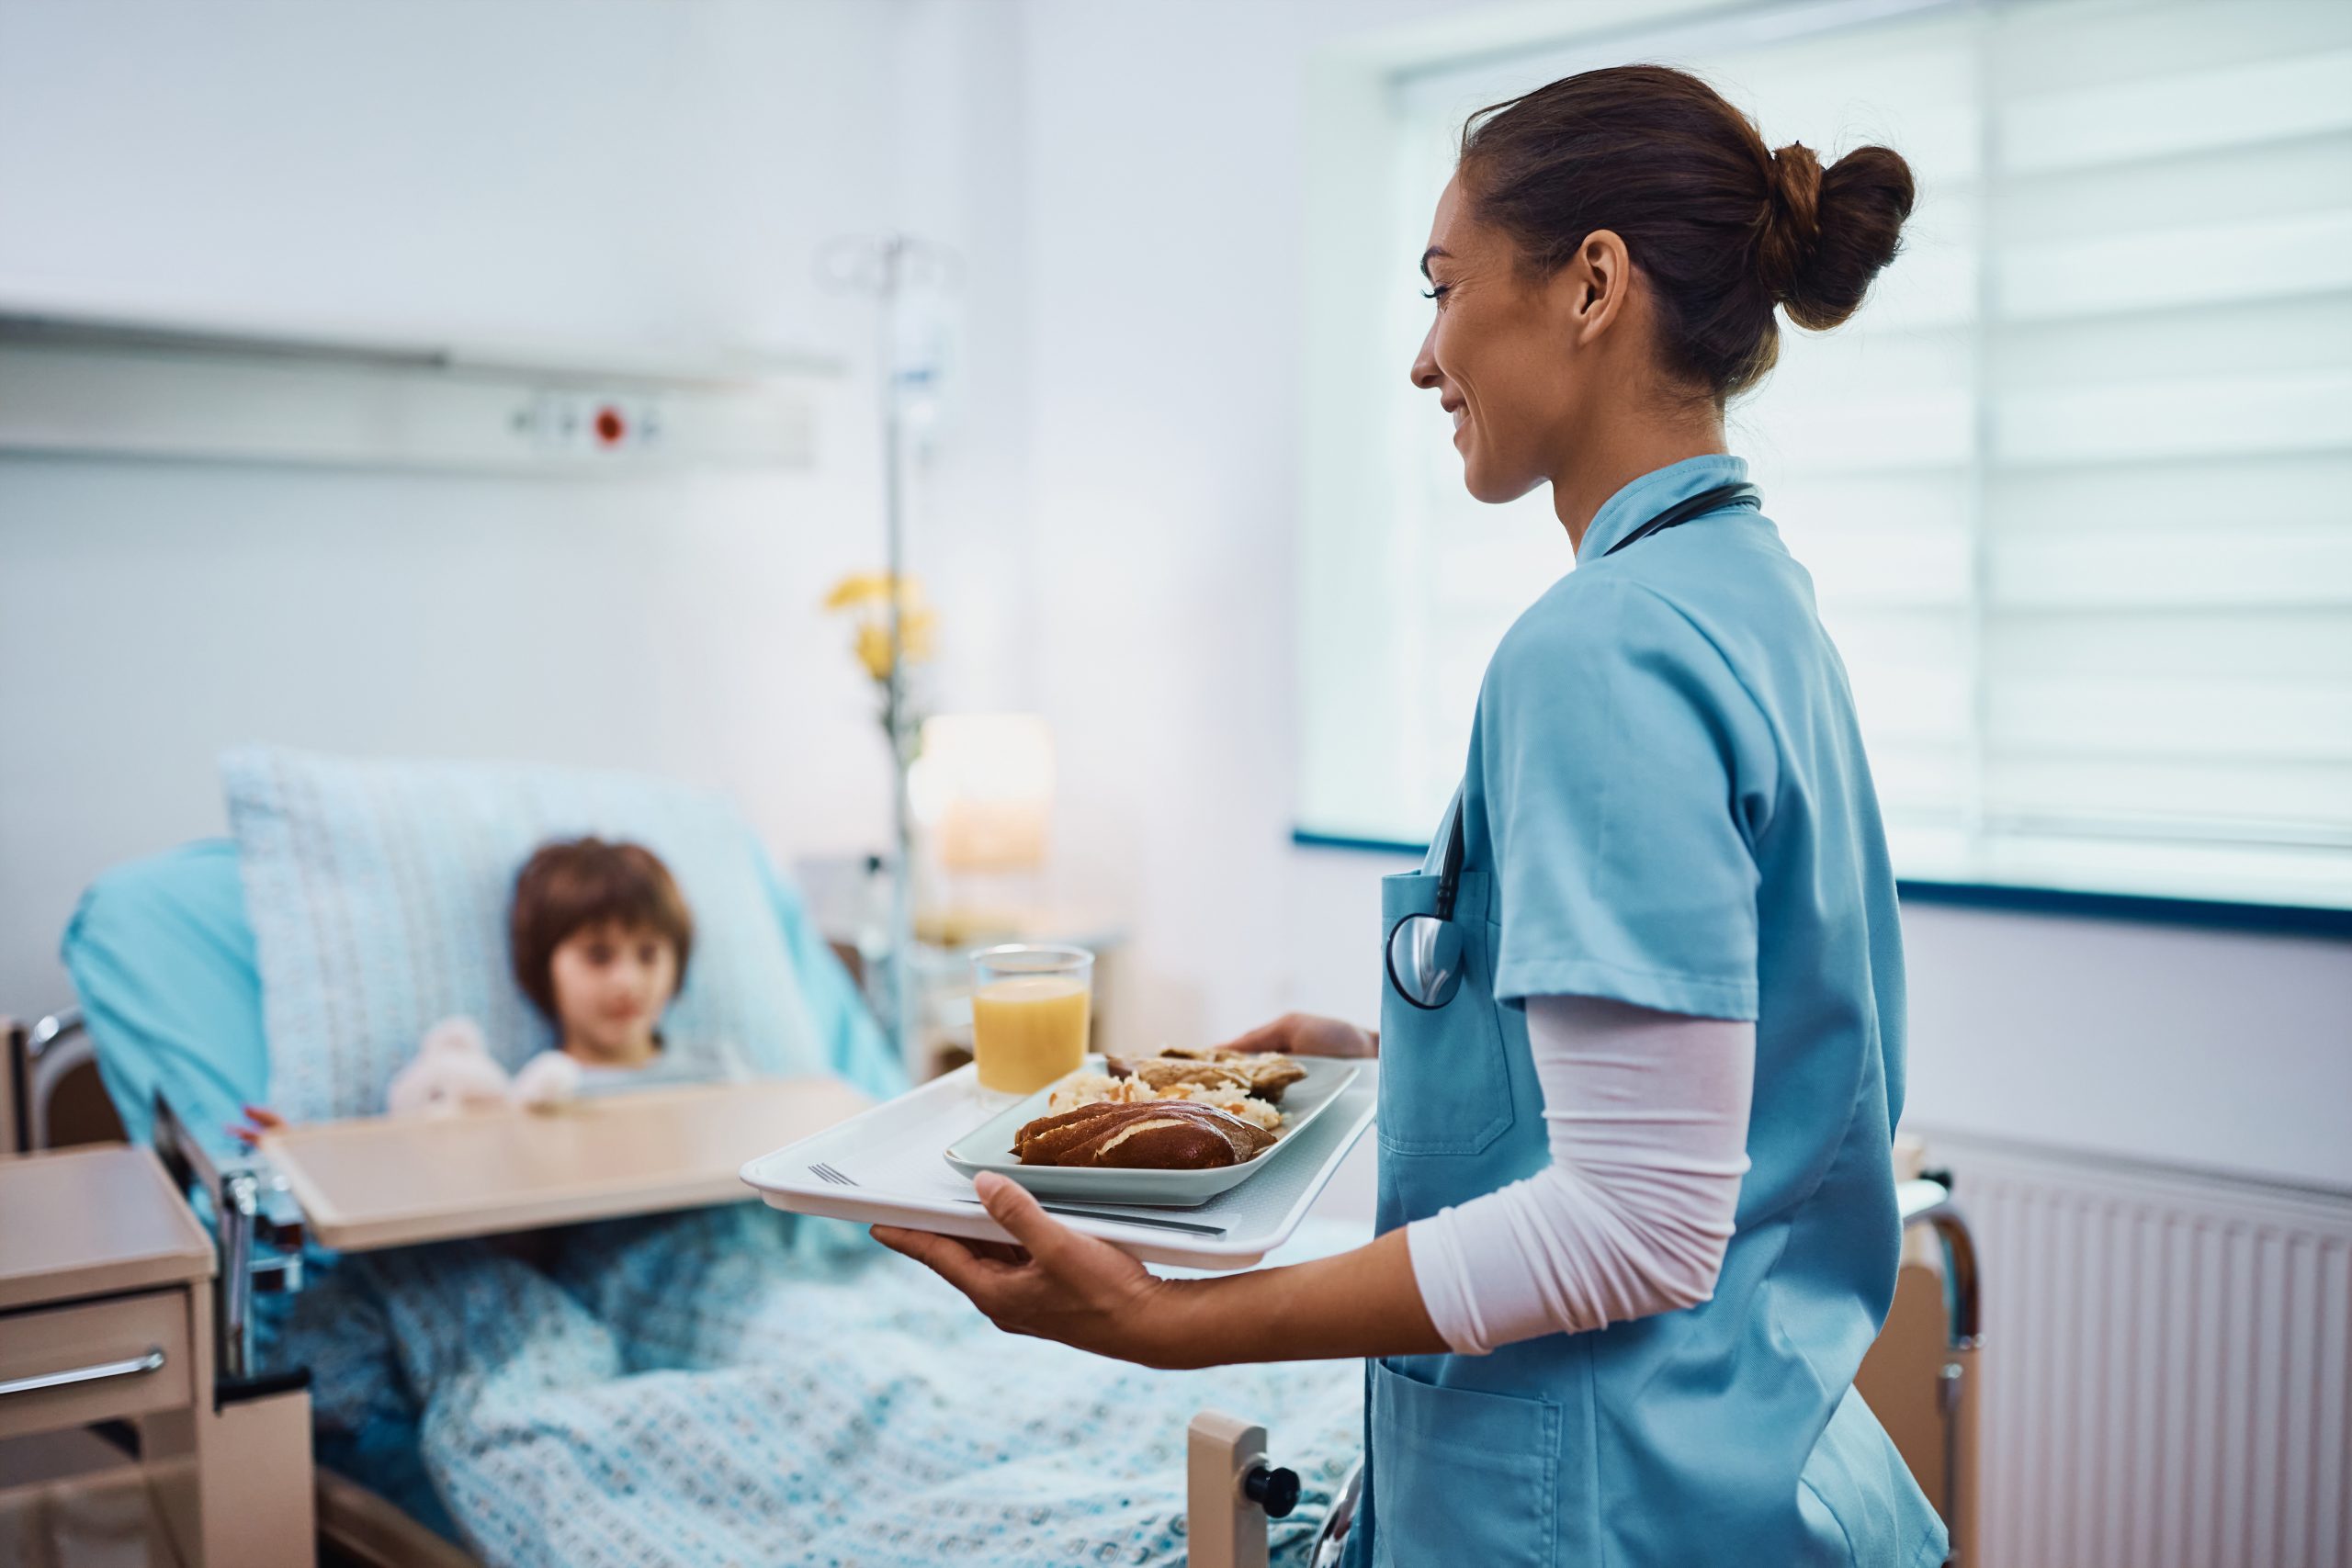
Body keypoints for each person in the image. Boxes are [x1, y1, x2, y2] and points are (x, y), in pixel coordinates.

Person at [875, 62, 1946, 1567]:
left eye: (1443, 288)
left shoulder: (1600, 649)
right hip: (1749, 1463)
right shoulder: (1756, 601)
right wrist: (1414, 1067)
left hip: (1596, 1508)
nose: (1426, 357)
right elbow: (1721, 1087)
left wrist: (1177, 1327)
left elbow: (1636, 1224)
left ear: (1591, 286)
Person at [233, 836, 697, 1142]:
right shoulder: (528, 1097)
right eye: (598, 955)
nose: (627, 980)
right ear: (542, 968)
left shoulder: (721, 1069)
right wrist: (307, 1158)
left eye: (649, 954)